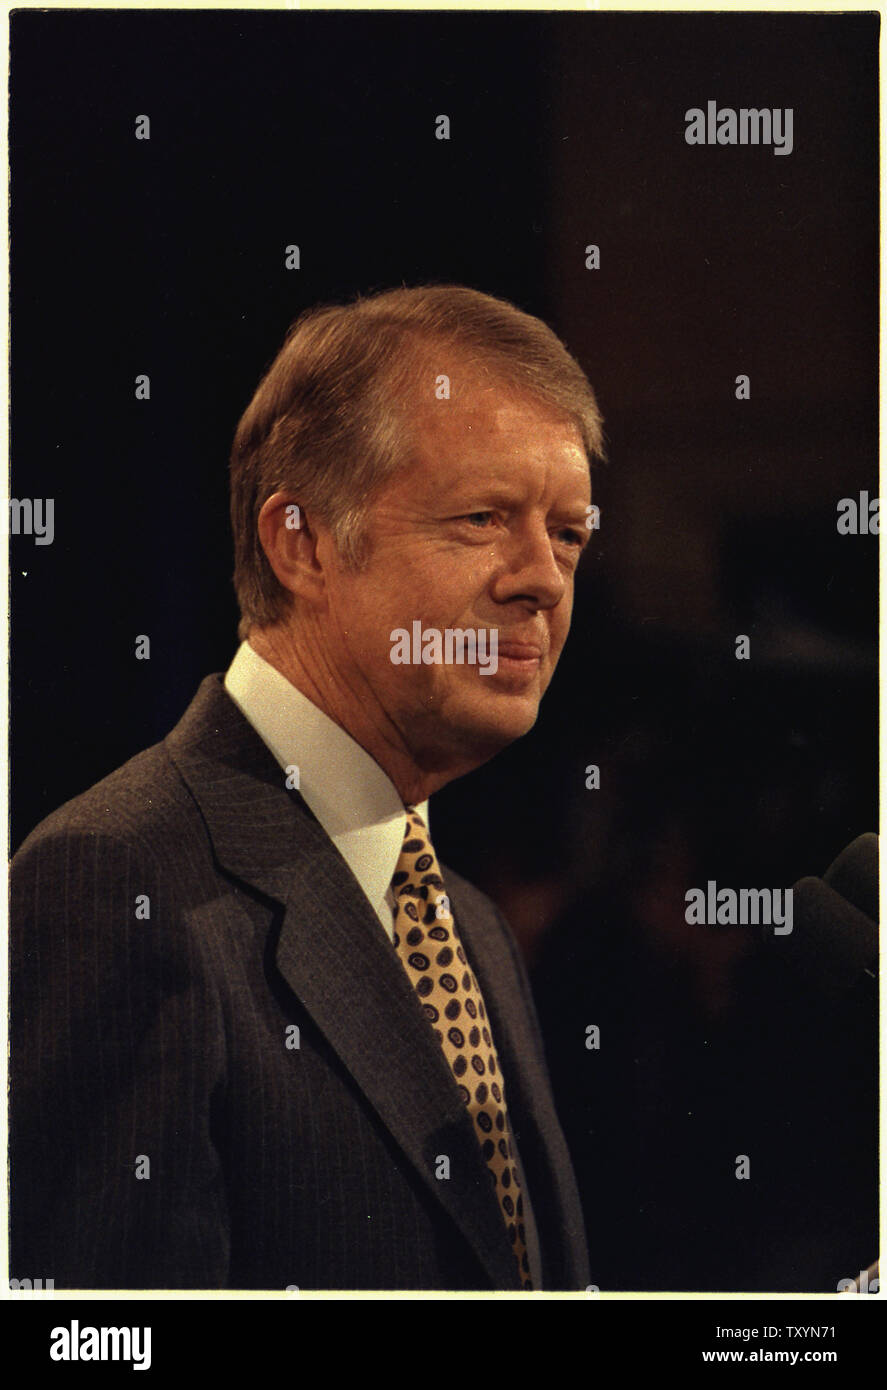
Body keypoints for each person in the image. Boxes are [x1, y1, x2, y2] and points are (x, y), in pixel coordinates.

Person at [10, 285, 604, 1291]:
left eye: (570, 533)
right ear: (302, 544)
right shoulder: (117, 882)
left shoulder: (470, 926)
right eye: (482, 517)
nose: (542, 577)